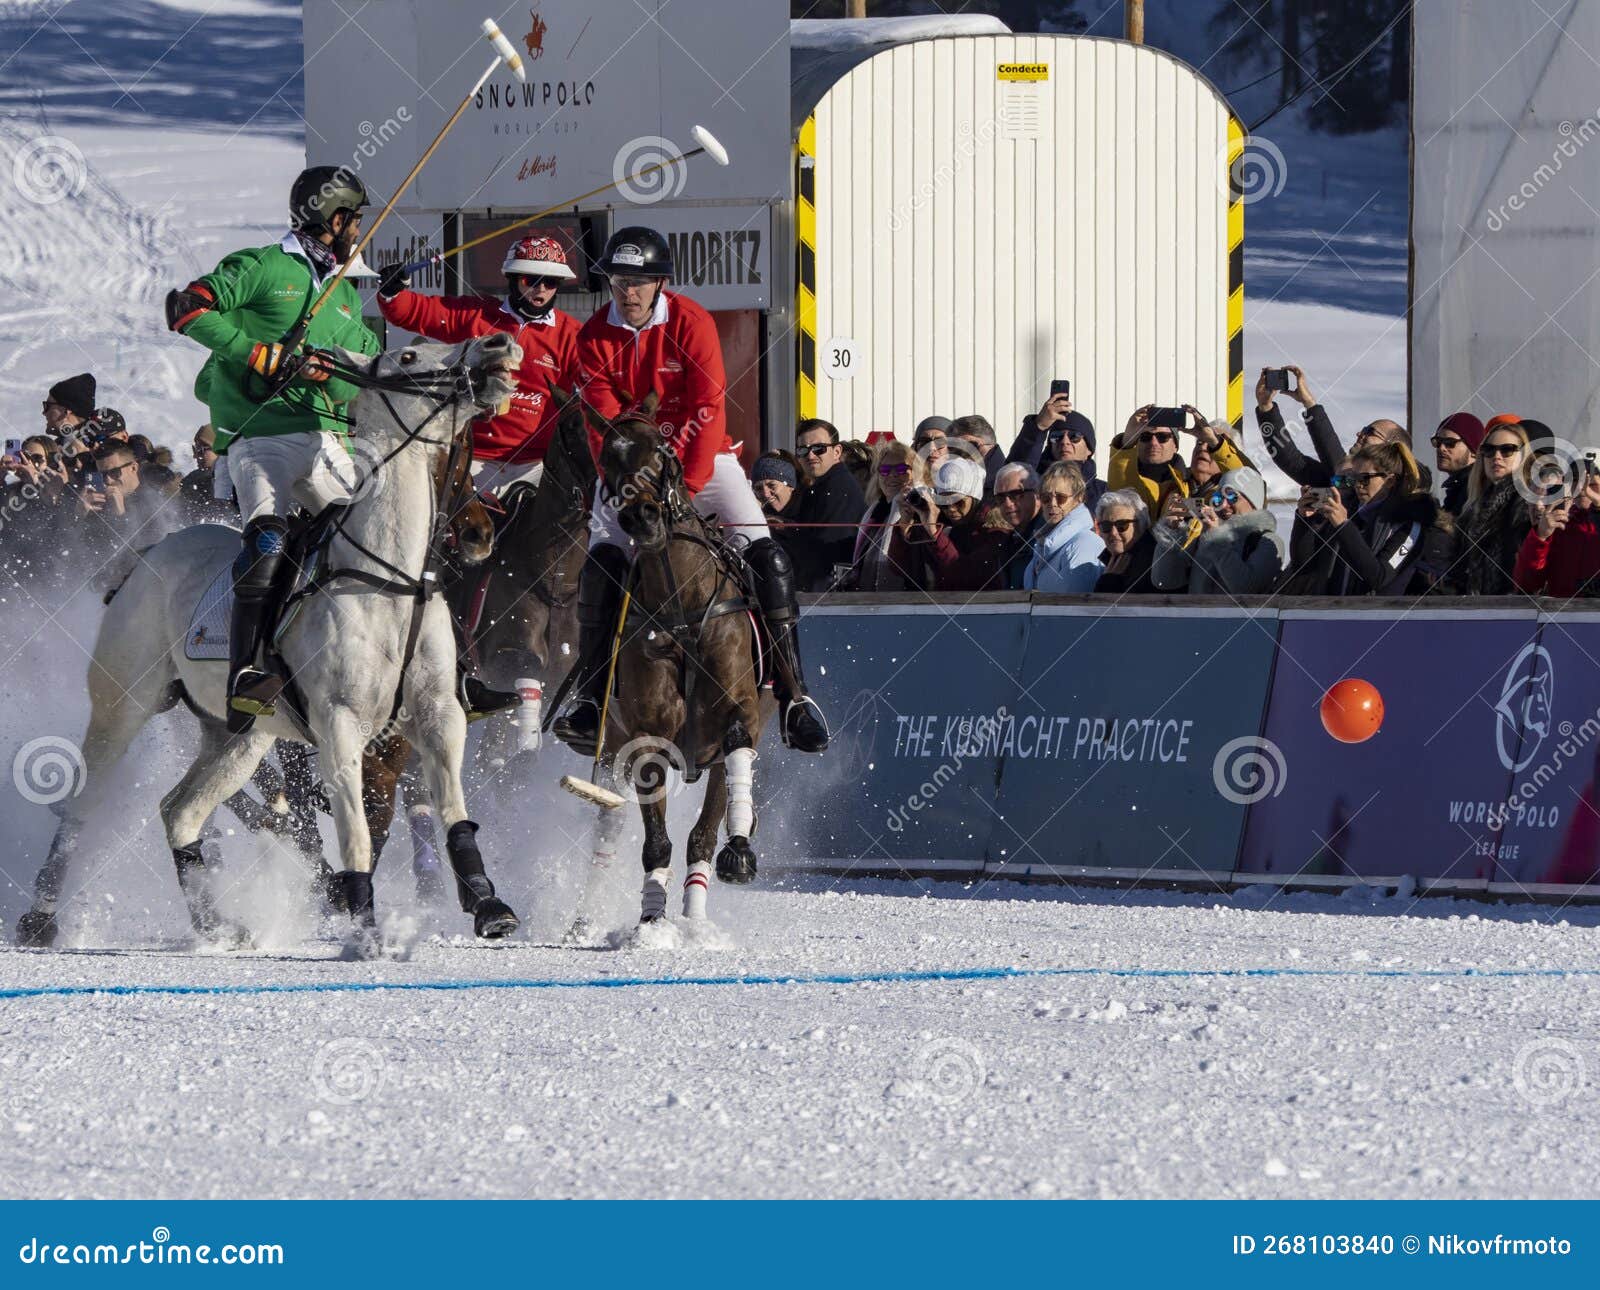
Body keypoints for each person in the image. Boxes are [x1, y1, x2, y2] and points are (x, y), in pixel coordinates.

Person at [557, 225, 828, 754]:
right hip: (632, 471)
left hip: (703, 462)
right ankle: (592, 699)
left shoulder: (691, 322)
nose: (627, 292)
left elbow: (709, 410)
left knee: (767, 555)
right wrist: (629, 478)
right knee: (601, 563)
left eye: (638, 282)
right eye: (618, 281)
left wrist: (688, 485)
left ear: (660, 283)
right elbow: (603, 424)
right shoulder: (592, 337)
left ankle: (795, 695)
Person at [166, 164, 383, 727]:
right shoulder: (264, 266)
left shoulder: (343, 299)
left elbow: (356, 385)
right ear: (334, 220)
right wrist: (259, 354)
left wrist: (323, 374)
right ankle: (246, 671)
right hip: (261, 439)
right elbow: (186, 309)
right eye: (355, 220)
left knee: (387, 528)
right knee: (267, 538)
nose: (359, 230)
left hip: (326, 438)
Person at [376, 233, 580, 495]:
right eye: (532, 280)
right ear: (513, 279)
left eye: (550, 282)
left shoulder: (571, 335)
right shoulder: (477, 315)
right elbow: (412, 311)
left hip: (535, 464)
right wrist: (392, 291)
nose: (541, 289)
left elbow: (598, 387)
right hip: (470, 456)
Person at [1152, 467, 1282, 596]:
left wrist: (1217, 539)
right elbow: (1164, 581)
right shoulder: (1204, 535)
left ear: (1253, 503)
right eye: (1218, 498)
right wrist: (1171, 533)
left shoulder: (1267, 541)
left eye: (1232, 496)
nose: (1224, 505)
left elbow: (1246, 589)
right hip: (1196, 615)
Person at [1109, 404, 1245, 516]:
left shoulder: (1233, 495)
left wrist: (1215, 442)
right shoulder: (1170, 490)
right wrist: (1127, 442)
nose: (1203, 448)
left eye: (1210, 446)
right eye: (1199, 442)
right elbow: (1124, 494)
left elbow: (1246, 484)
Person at [902, 456, 1010, 592]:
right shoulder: (938, 523)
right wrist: (905, 525)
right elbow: (899, 568)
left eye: (959, 502)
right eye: (944, 502)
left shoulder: (994, 530)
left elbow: (964, 576)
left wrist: (935, 534)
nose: (951, 509)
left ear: (974, 499)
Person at [788, 418, 867, 590]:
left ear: (837, 451)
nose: (810, 455)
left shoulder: (839, 489)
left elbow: (826, 552)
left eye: (819, 448)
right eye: (802, 450)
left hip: (830, 597)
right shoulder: (820, 486)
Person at [1456, 421, 1532, 595]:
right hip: (1476, 610)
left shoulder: (1529, 502)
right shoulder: (1472, 506)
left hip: (1516, 609)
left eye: (1507, 450)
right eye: (1489, 450)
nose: (1496, 456)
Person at [850, 439, 929, 592]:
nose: (892, 475)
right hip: (868, 601)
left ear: (916, 472)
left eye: (901, 469)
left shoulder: (919, 508)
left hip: (905, 599)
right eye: (885, 470)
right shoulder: (876, 511)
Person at [1007, 391, 1104, 510]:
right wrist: (1039, 426)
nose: (1065, 441)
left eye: (1074, 436)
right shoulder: (1034, 484)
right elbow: (1014, 472)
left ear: (1089, 450)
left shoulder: (1103, 493)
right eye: (1057, 436)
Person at [1516, 463, 1600, 598]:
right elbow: (1526, 586)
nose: (1539, 506)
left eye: (1550, 495)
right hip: (1560, 615)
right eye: (1533, 498)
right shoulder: (1539, 533)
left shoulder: (1587, 528)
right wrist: (1540, 538)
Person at [1021, 462, 1105, 594]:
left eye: (1061, 498)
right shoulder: (1041, 544)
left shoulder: (1085, 543)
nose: (1052, 504)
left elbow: (1075, 605)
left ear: (1079, 498)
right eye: (1046, 498)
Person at [1253, 365, 1343, 486]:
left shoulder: (1350, 487)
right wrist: (1266, 407)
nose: (1360, 434)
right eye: (1364, 430)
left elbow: (1334, 460)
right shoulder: (1343, 480)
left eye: (1370, 431)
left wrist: (1311, 407)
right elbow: (1290, 460)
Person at [1092, 490, 1157, 594]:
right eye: (1106, 526)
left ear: (1140, 525)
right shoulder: (1114, 564)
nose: (1113, 533)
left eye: (1122, 525)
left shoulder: (1150, 567)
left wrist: (1109, 582)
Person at [992, 461, 1044, 589]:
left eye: (1016, 495)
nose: (1008, 503)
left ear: (1037, 494)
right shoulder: (1009, 541)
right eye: (1000, 498)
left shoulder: (1049, 539)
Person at [1432, 412, 1483, 517]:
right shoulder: (1459, 486)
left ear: (1474, 451)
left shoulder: (1477, 489)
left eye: (1450, 443)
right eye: (1438, 442)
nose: (1441, 448)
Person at [179, 424, 232, 524]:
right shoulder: (191, 482)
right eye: (195, 449)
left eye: (201, 450)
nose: (195, 455)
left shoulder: (241, 480)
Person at [948, 414, 1005, 493]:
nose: (962, 453)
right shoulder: (947, 480)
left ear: (991, 445)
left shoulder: (1007, 484)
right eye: (954, 448)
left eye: (970, 446)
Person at [42, 373, 95, 443]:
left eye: (48, 406)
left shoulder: (95, 449)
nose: (44, 413)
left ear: (67, 412)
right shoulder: (66, 444)